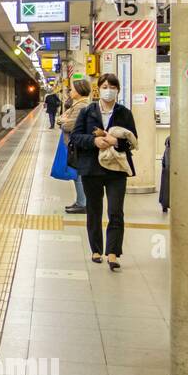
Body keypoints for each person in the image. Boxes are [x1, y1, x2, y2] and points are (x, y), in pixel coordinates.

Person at [69, 72, 137, 271]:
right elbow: (75, 136)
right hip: (91, 168)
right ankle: (96, 249)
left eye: (112, 86)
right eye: (105, 86)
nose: (109, 90)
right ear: (99, 88)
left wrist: (117, 141)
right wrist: (94, 141)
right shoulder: (88, 111)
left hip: (116, 169)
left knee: (115, 211)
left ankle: (114, 252)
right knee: (94, 210)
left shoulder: (124, 113)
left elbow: (132, 141)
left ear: (117, 89)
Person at [59, 78, 92, 214]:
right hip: (75, 144)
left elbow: (69, 124)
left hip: (77, 145)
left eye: (72, 89)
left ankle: (82, 203)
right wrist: (62, 120)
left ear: (79, 91)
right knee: (77, 174)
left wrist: (62, 122)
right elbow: (61, 118)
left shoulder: (80, 106)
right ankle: (80, 201)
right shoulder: (77, 104)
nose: (71, 92)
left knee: (78, 174)